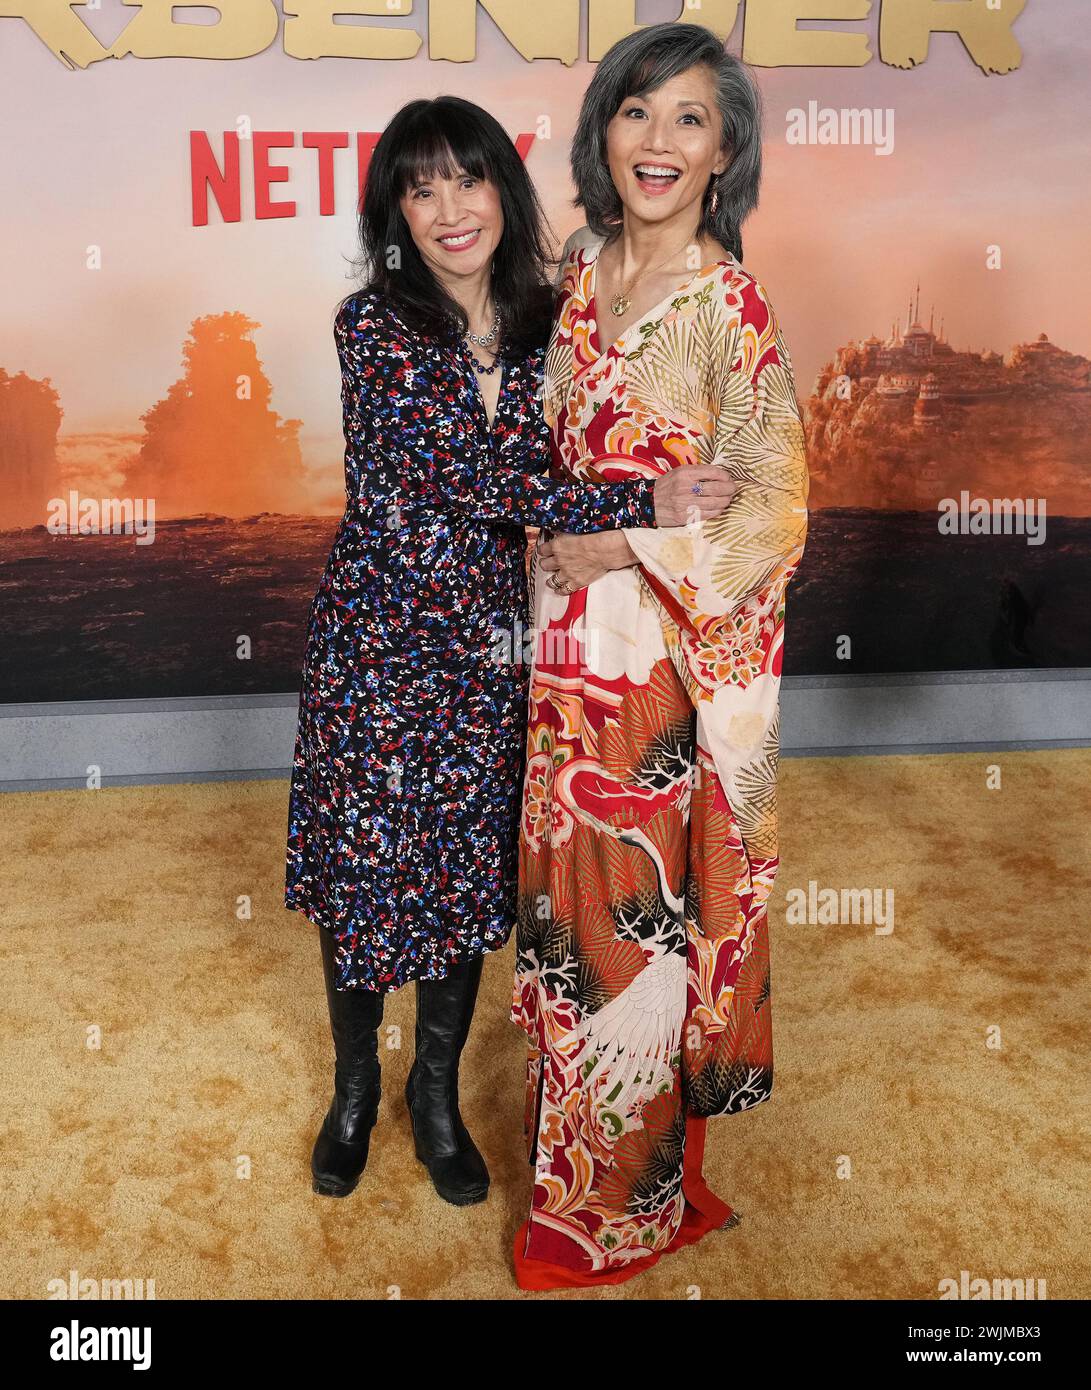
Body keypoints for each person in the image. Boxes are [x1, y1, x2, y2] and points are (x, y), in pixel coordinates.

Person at [284, 94, 735, 1209]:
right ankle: (354, 1088)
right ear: (395, 208)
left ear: (502, 191)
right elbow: (480, 480)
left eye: (467, 179)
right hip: (378, 650)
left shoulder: (549, 326)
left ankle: (432, 1096)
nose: (447, 208)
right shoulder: (372, 329)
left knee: (460, 874)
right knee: (364, 875)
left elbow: (604, 420)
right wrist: (645, 498)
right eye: (419, 185)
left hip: (493, 649)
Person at [510, 23, 810, 1286]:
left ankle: (619, 1208)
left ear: (723, 151)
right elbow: (539, 453)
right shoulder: (581, 279)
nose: (659, 140)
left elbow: (773, 506)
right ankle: (584, 1174)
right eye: (639, 112)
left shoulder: (724, 301)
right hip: (563, 651)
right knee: (562, 907)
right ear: (604, 134)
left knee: (629, 926)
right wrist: (554, 536)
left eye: (690, 119)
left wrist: (619, 542)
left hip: (662, 667)